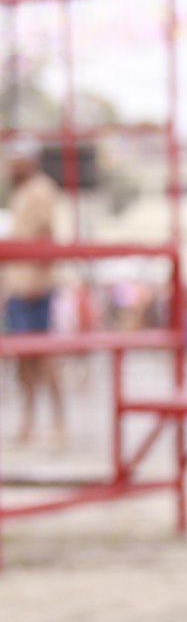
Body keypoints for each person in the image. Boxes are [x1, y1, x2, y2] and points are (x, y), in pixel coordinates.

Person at [1, 136, 65, 445]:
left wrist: (38, 282)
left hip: (33, 287)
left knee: (43, 356)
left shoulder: (40, 190)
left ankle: (58, 421)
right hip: (18, 285)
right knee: (25, 360)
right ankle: (30, 423)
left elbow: (46, 236)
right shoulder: (23, 191)